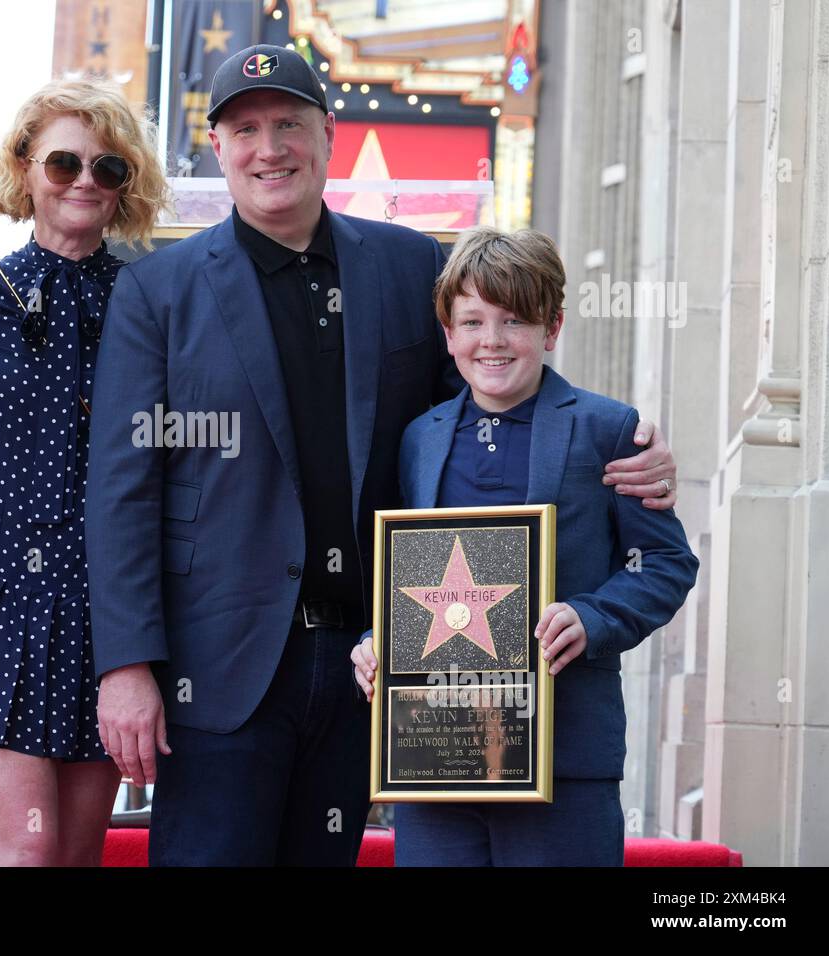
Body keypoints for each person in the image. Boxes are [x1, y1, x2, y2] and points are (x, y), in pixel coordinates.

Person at [86, 44, 681, 866]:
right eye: (247, 129)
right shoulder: (157, 289)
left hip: (381, 666)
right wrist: (125, 664)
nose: (270, 148)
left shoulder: (410, 265)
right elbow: (120, 490)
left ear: (328, 135)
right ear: (217, 149)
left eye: (289, 124)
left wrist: (621, 443)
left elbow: (497, 382)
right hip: (217, 669)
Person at [351, 227, 699, 865]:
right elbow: (406, 573)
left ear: (552, 326)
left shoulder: (610, 429)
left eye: (515, 320)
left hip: (565, 755)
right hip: (435, 757)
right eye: (473, 321)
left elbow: (667, 563)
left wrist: (592, 617)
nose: (492, 340)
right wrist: (380, 642)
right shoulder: (419, 439)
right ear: (448, 333)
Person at [0, 79, 170, 866]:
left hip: (108, 615)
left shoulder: (150, 301)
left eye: (109, 169)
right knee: (23, 853)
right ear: (25, 168)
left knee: (72, 856)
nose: (84, 182)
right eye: (64, 163)